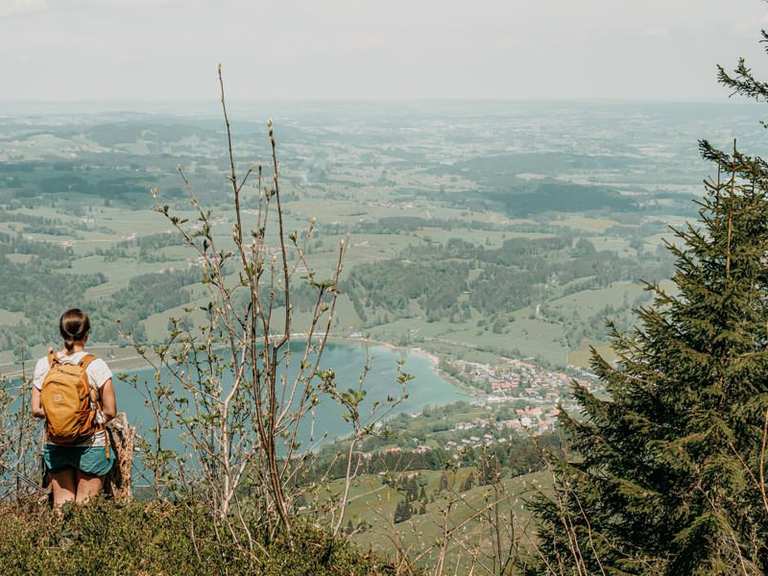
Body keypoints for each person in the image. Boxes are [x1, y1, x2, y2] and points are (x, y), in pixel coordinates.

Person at [31, 308, 116, 507]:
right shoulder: (96, 365)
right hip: (90, 444)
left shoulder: (46, 364)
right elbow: (110, 411)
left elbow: (36, 410)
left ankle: (62, 539)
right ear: (87, 334)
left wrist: (61, 417)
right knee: (86, 510)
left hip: (56, 443)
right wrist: (85, 418)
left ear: (62, 334)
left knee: (62, 507)